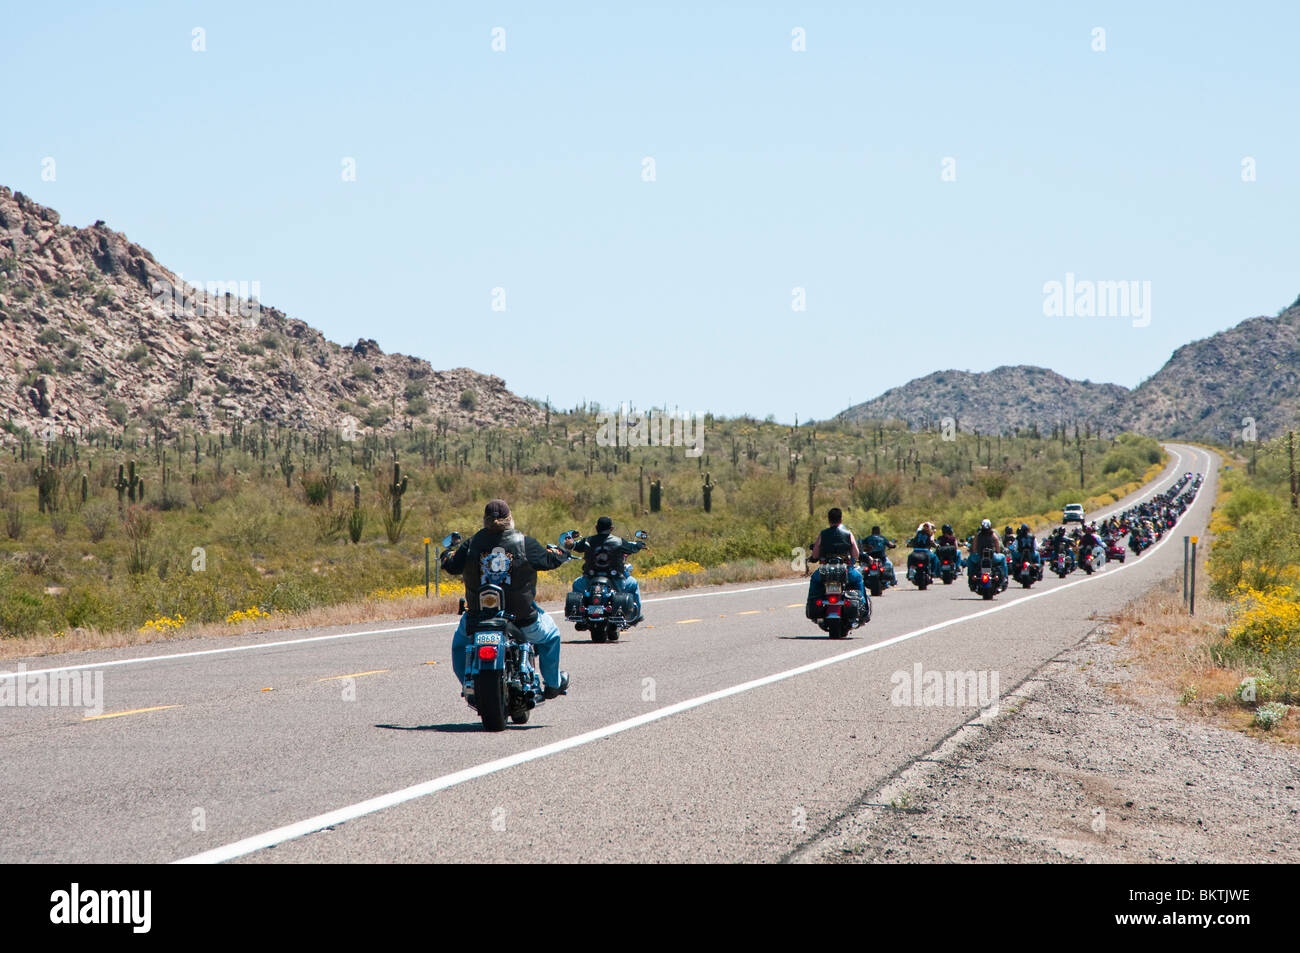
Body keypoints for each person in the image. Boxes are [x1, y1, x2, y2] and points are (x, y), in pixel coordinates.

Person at [442, 499, 571, 704]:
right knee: (551, 637)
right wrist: (562, 552)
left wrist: (446, 555)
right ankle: (553, 684)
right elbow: (550, 560)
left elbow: (451, 565)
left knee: (460, 647)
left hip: (478, 618)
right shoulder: (524, 543)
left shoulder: (471, 544)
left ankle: (470, 686)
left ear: (485, 520)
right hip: (521, 618)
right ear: (509, 518)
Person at [568, 516, 646, 625]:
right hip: (615, 578)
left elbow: (575, 546)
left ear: (596, 528)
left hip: (590, 578)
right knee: (633, 583)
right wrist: (638, 545)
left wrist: (570, 543)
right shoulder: (619, 541)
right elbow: (631, 548)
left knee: (576, 584)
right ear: (611, 528)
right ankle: (635, 616)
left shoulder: (588, 541)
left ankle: (578, 615)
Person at [807, 507, 868, 616]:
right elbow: (856, 554)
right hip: (845, 570)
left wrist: (813, 558)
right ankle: (863, 609)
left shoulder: (823, 534)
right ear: (841, 519)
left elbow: (815, 555)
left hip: (825, 571)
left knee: (814, 580)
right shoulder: (848, 534)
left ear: (829, 520)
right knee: (858, 578)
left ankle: (811, 605)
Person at [968, 518, 1008, 588]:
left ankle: (970, 575)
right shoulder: (993, 534)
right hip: (992, 557)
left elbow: (974, 546)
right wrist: (998, 552)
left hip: (980, 557)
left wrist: (974, 553)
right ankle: (1005, 576)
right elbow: (997, 544)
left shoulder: (978, 535)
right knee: (1003, 557)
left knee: (970, 559)